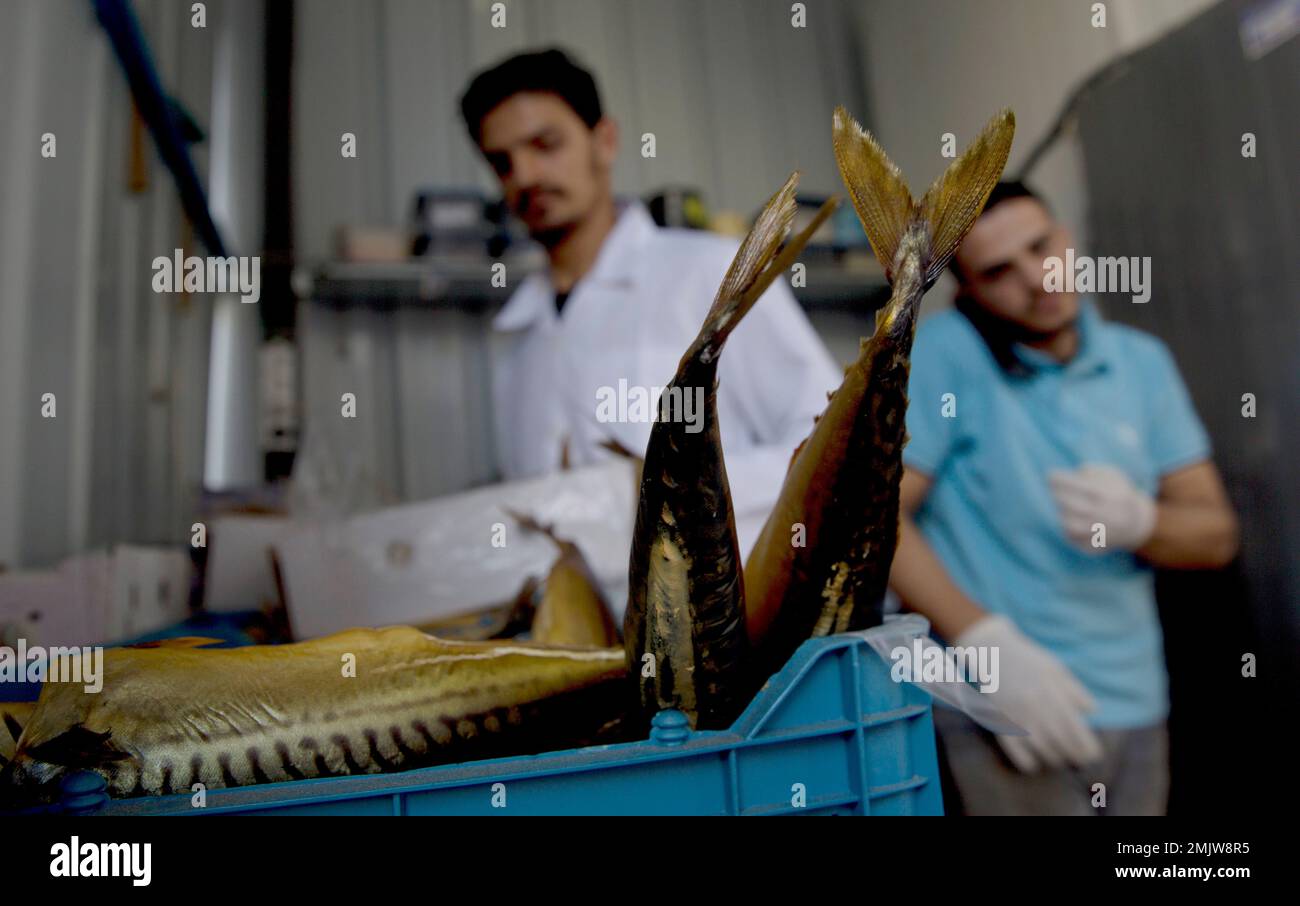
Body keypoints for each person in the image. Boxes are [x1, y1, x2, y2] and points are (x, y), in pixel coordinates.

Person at [889, 181, 1239, 815]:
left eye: (1041, 246)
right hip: (1003, 708)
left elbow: (1216, 534)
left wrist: (1144, 522)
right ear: (968, 291)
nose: (1037, 278)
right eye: (999, 271)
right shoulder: (946, 355)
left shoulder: (1141, 363)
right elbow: (875, 523)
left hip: (1134, 700)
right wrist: (981, 641)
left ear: (1067, 235)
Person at [459, 49, 840, 557]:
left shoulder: (710, 272)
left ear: (605, 141)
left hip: (732, 619)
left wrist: (666, 490)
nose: (524, 176)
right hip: (582, 633)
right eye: (501, 163)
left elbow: (831, 442)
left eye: (545, 145)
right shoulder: (516, 338)